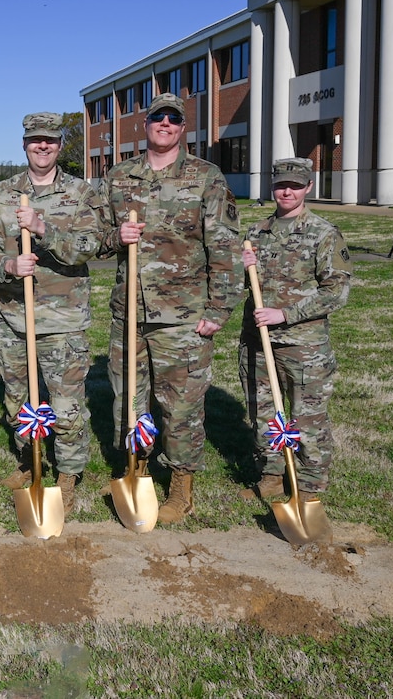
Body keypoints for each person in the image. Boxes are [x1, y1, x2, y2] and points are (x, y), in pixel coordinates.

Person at [95, 93, 243, 524]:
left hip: (182, 315)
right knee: (128, 400)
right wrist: (115, 236)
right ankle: (136, 468)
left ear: (182, 128)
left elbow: (225, 248)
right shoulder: (119, 177)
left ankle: (182, 485)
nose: (165, 123)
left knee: (180, 406)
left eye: (173, 119)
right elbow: (98, 236)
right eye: (157, 116)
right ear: (145, 124)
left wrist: (218, 309)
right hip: (129, 313)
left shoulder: (205, 178)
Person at [0, 113, 101, 513]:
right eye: (35, 140)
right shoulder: (1, 193)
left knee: (67, 407)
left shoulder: (81, 193)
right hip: (14, 316)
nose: (42, 146)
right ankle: (29, 462)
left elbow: (89, 245)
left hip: (63, 320)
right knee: (18, 401)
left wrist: (44, 229)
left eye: (50, 140)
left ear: (60, 145)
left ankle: (66, 474)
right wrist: (7, 266)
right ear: (24, 144)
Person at [239, 157, 351, 501]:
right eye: (281, 185)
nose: (287, 191)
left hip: (303, 347)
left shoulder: (323, 233)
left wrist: (284, 314)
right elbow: (246, 283)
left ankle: (309, 488)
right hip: (257, 342)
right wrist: (243, 268)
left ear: (308, 187)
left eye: (295, 185)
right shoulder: (257, 232)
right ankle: (271, 475)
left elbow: (337, 292)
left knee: (308, 421)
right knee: (264, 414)